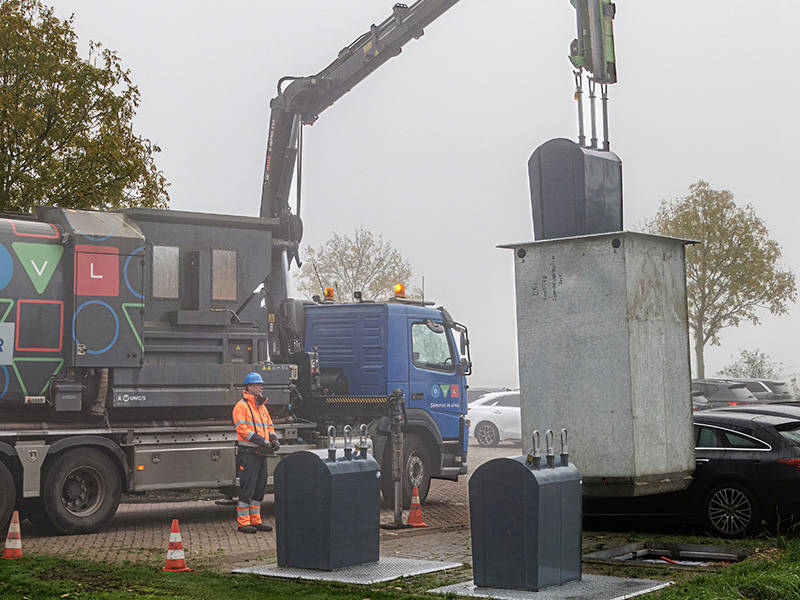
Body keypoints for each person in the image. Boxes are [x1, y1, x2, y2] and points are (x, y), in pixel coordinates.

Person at [232, 371, 280, 533]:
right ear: (249, 387)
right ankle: (243, 523)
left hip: (261, 452)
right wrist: (264, 441)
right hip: (249, 452)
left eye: (261, 384)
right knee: (248, 487)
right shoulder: (241, 406)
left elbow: (269, 426)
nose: (261, 387)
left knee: (260, 487)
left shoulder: (262, 407)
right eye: (258, 384)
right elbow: (243, 430)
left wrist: (274, 439)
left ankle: (255, 520)